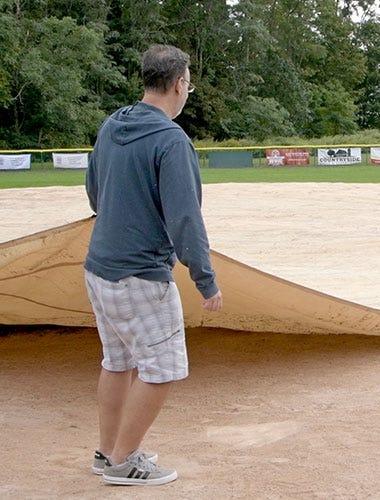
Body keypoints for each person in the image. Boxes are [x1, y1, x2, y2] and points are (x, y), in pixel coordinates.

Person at [84, 44, 223, 486]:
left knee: (117, 361)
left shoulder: (112, 125)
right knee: (162, 369)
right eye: (189, 85)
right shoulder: (170, 140)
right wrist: (205, 280)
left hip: (98, 266)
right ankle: (125, 461)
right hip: (140, 274)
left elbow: (94, 192)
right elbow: (185, 218)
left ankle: (108, 454)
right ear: (179, 84)